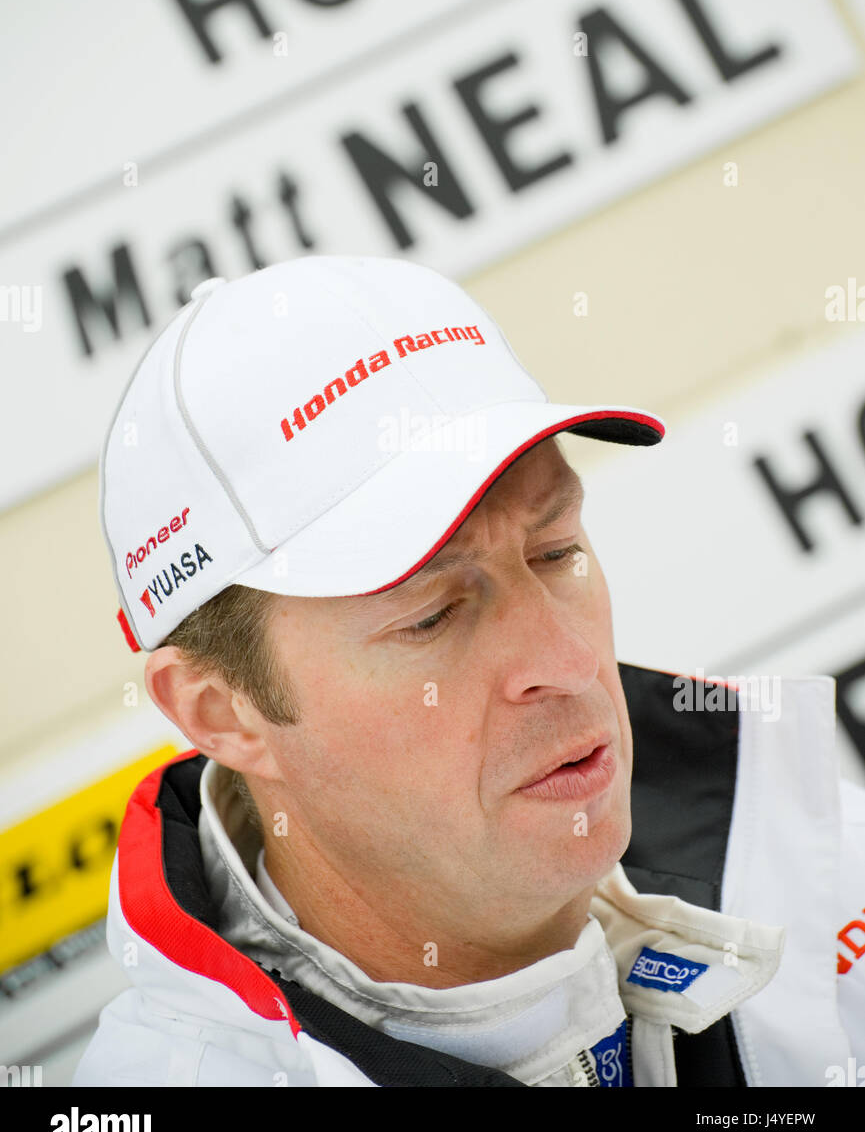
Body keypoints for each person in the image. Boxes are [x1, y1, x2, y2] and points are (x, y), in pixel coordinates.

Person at [75, 255, 864, 1087]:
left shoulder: (808, 843)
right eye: (432, 615)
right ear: (223, 713)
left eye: (554, 551)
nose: (568, 663)